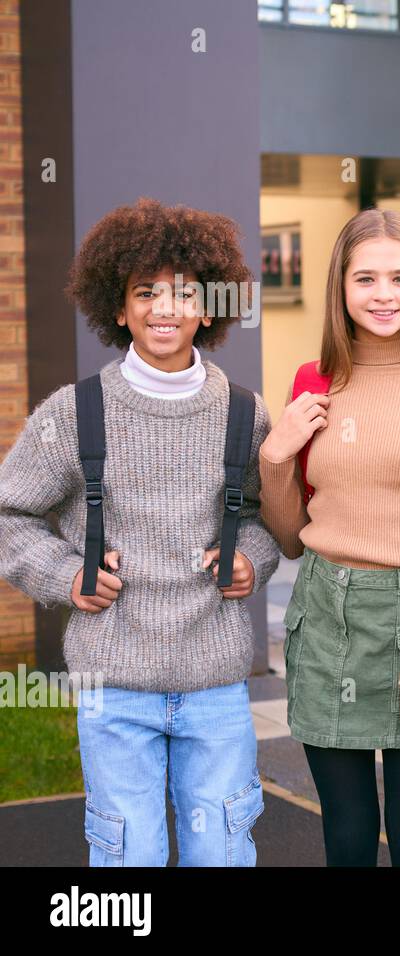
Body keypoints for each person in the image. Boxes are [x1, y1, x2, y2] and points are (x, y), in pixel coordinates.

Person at [0, 198, 280, 865]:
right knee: (130, 857)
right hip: (113, 688)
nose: (164, 307)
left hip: (215, 685)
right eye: (145, 291)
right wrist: (64, 576)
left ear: (209, 308)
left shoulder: (245, 414)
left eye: (185, 292)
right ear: (118, 308)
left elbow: (269, 519)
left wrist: (252, 559)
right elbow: (9, 513)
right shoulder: (73, 415)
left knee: (222, 851)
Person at [258, 208, 400, 866]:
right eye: (365, 279)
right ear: (340, 287)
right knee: (348, 837)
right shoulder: (317, 381)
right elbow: (292, 539)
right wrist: (276, 459)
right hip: (326, 613)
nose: (383, 294)